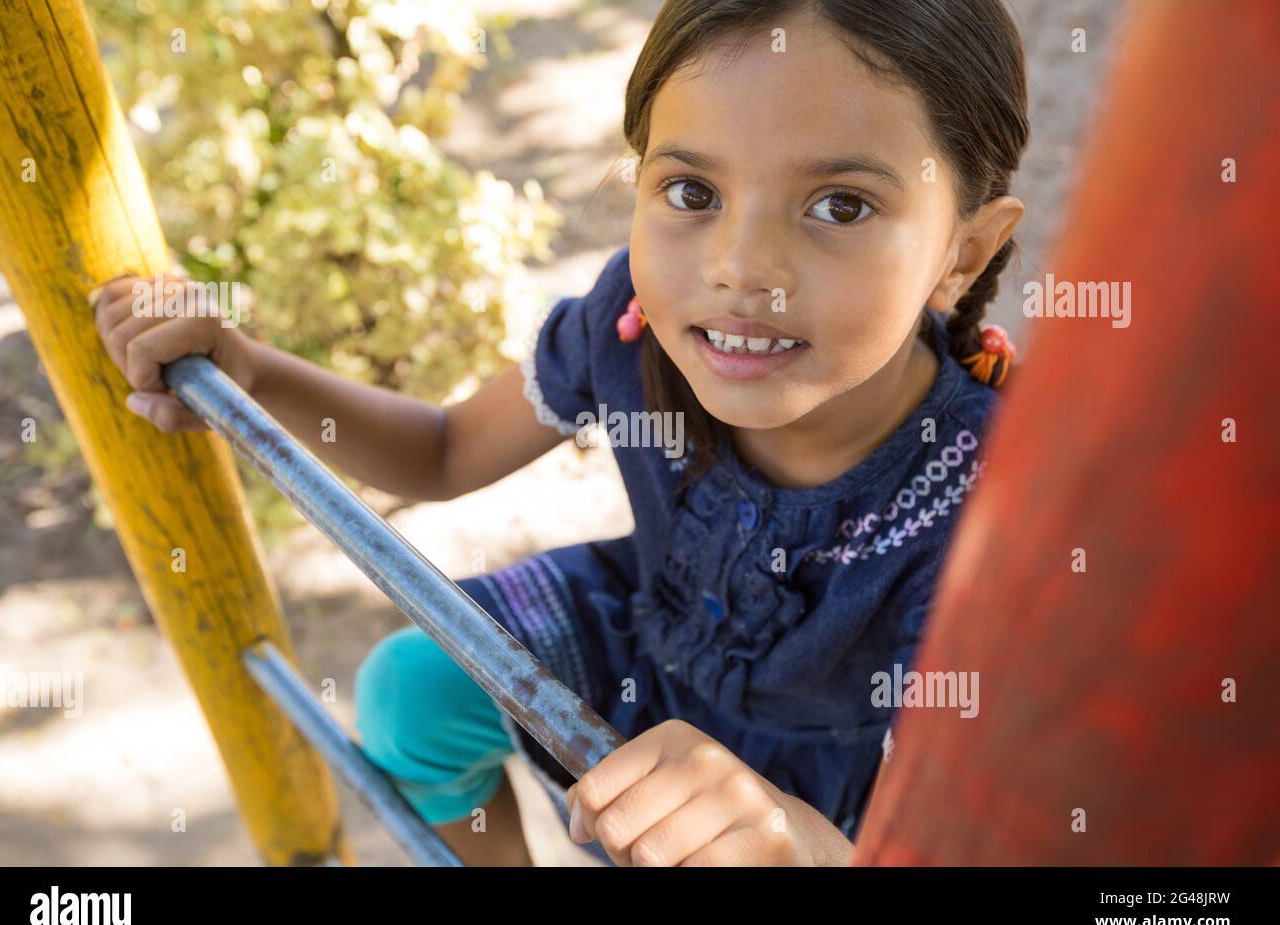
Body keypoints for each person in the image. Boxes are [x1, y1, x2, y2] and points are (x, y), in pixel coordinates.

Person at [91, 0, 1028, 866]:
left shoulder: (994, 508)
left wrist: (806, 846)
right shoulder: (631, 322)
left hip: (848, 789)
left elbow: (967, 827)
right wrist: (251, 372)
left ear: (963, 253)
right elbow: (446, 452)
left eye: (841, 206)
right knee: (413, 690)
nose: (744, 268)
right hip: (645, 648)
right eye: (692, 192)